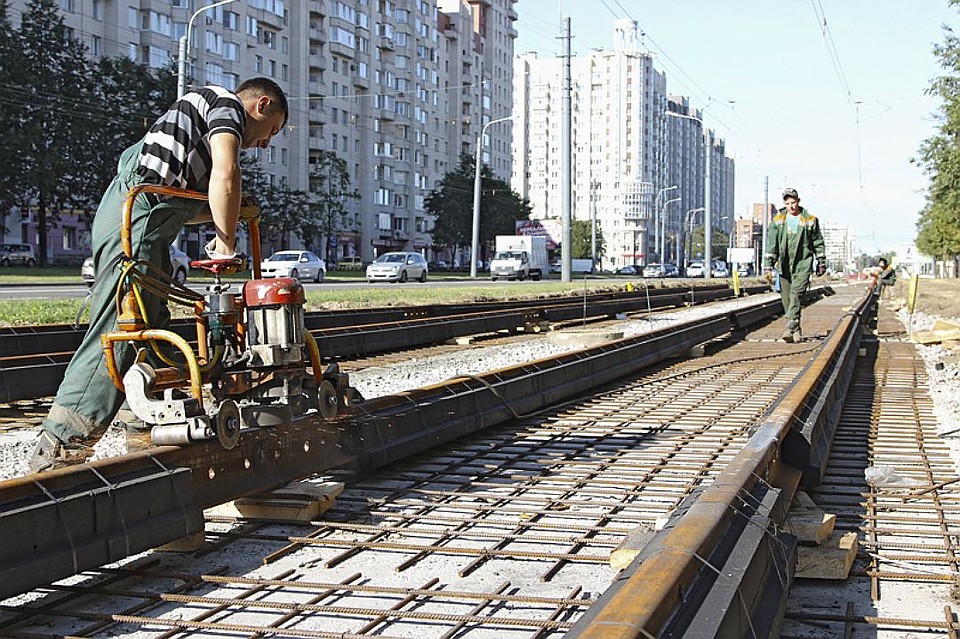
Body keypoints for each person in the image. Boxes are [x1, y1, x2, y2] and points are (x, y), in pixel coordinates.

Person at [28, 78, 289, 473]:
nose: (266, 143)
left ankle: (145, 432)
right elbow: (226, 173)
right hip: (135, 221)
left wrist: (235, 211)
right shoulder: (225, 107)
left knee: (153, 333)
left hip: (148, 223)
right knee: (124, 328)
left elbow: (183, 202)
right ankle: (60, 446)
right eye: (271, 131)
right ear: (261, 105)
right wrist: (224, 242)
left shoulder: (193, 135)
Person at [764, 187, 827, 343]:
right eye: (787, 203)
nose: (791, 206)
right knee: (786, 299)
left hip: (803, 264)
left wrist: (821, 261)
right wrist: (768, 265)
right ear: (784, 204)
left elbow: (818, 242)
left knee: (796, 294)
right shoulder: (778, 221)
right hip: (784, 265)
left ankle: (789, 326)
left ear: (798, 201)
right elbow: (772, 245)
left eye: (793, 202)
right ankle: (796, 329)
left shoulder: (810, 221)